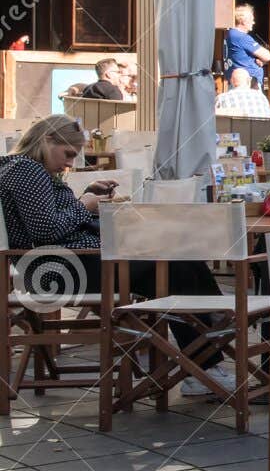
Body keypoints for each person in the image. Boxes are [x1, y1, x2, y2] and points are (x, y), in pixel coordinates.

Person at [0, 115, 225, 393]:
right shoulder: (26, 170)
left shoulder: (25, 169)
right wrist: (84, 205)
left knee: (178, 262)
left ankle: (208, 337)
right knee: (175, 264)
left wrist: (85, 195)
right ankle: (210, 339)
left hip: (70, 265)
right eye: (68, 153)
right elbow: (46, 230)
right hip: (62, 270)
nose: (70, 162)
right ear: (47, 140)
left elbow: (49, 220)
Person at [223, 5, 270, 89]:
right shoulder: (241, 37)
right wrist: (261, 59)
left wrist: (260, 59)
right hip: (247, 83)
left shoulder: (230, 33)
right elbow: (267, 56)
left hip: (236, 81)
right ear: (243, 21)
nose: (254, 22)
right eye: (252, 20)